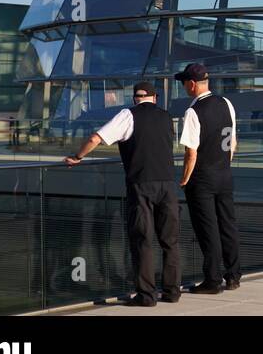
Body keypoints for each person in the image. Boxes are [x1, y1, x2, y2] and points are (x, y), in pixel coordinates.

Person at [65, 81, 181, 306]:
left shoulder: (128, 116)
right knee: (170, 241)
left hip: (141, 184)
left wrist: (77, 157)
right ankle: (172, 291)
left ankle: (146, 295)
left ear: (135, 98)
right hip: (168, 184)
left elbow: (94, 139)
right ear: (155, 98)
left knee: (143, 240)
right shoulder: (167, 117)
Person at [176, 63, 241, 294]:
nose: (183, 86)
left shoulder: (193, 112)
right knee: (228, 225)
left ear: (192, 84)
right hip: (224, 174)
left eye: (184, 82)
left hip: (202, 179)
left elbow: (191, 152)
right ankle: (233, 276)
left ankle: (212, 280)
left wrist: (184, 180)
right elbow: (232, 142)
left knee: (208, 229)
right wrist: (224, 164)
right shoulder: (227, 104)